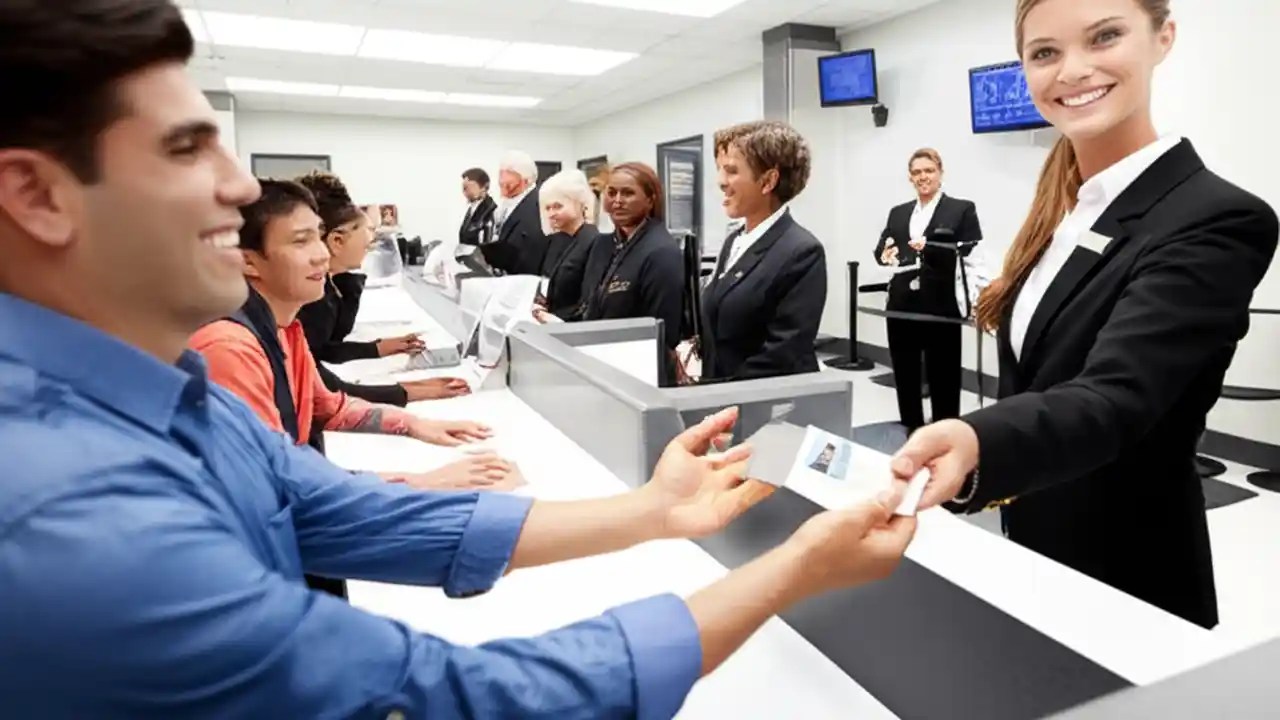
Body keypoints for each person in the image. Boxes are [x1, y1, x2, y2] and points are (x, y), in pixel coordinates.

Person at [0, 3, 918, 716]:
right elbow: (461, 698)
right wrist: (790, 571)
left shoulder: (168, 392)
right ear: (36, 196)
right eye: (185, 147)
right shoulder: (67, 519)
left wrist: (650, 512)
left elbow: (340, 509)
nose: (241, 187)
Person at [891, 0, 1278, 630]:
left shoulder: (1216, 217)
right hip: (1040, 544)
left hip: (1129, 568)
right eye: (1045, 52)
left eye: (1104, 38)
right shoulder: (1070, 214)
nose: (1073, 70)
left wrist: (975, 440)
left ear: (1163, 38)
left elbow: (1114, 397)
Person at [189, 178, 513, 490]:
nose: (322, 254)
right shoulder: (229, 349)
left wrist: (415, 424)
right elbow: (274, 483)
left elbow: (330, 408)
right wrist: (422, 481)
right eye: (301, 241)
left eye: (318, 237)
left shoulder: (286, 328)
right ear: (248, 261)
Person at [294, 170, 469, 406]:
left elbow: (322, 349)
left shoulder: (328, 286)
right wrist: (406, 391)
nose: (371, 240)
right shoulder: (308, 299)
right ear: (337, 240)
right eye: (366, 230)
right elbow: (323, 391)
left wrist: (380, 347)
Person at [700, 120, 828, 382]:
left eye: (731, 170)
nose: (721, 182)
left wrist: (719, 393)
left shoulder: (802, 251)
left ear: (768, 180)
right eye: (719, 170)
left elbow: (783, 353)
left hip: (760, 403)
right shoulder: (734, 241)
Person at [873, 148, 983, 431]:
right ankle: (910, 427)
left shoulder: (961, 209)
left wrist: (931, 247)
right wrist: (885, 254)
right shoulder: (898, 213)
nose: (923, 177)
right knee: (905, 371)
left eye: (929, 171)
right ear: (910, 177)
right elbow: (881, 248)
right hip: (901, 304)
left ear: (940, 173)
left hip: (941, 305)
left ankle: (945, 430)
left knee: (943, 373)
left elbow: (971, 251)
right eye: (917, 172)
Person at [560, 162, 685, 386]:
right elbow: (589, 304)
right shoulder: (602, 245)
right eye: (612, 192)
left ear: (650, 199)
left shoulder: (662, 252)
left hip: (639, 374)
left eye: (628, 193)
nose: (617, 201)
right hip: (598, 364)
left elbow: (663, 333)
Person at [535, 168, 599, 318]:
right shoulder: (561, 240)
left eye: (558, 206)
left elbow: (588, 301)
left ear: (579, 204)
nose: (551, 214)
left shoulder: (593, 241)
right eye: (548, 208)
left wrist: (553, 317)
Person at [480, 150, 547, 276]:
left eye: (509, 173)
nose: (502, 180)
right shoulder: (508, 203)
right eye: (501, 172)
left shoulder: (537, 205)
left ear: (525, 180)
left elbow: (530, 255)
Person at [459, 166, 497, 247]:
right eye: (464, 188)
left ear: (484, 187)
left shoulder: (491, 211)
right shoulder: (471, 209)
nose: (464, 192)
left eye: (467, 188)